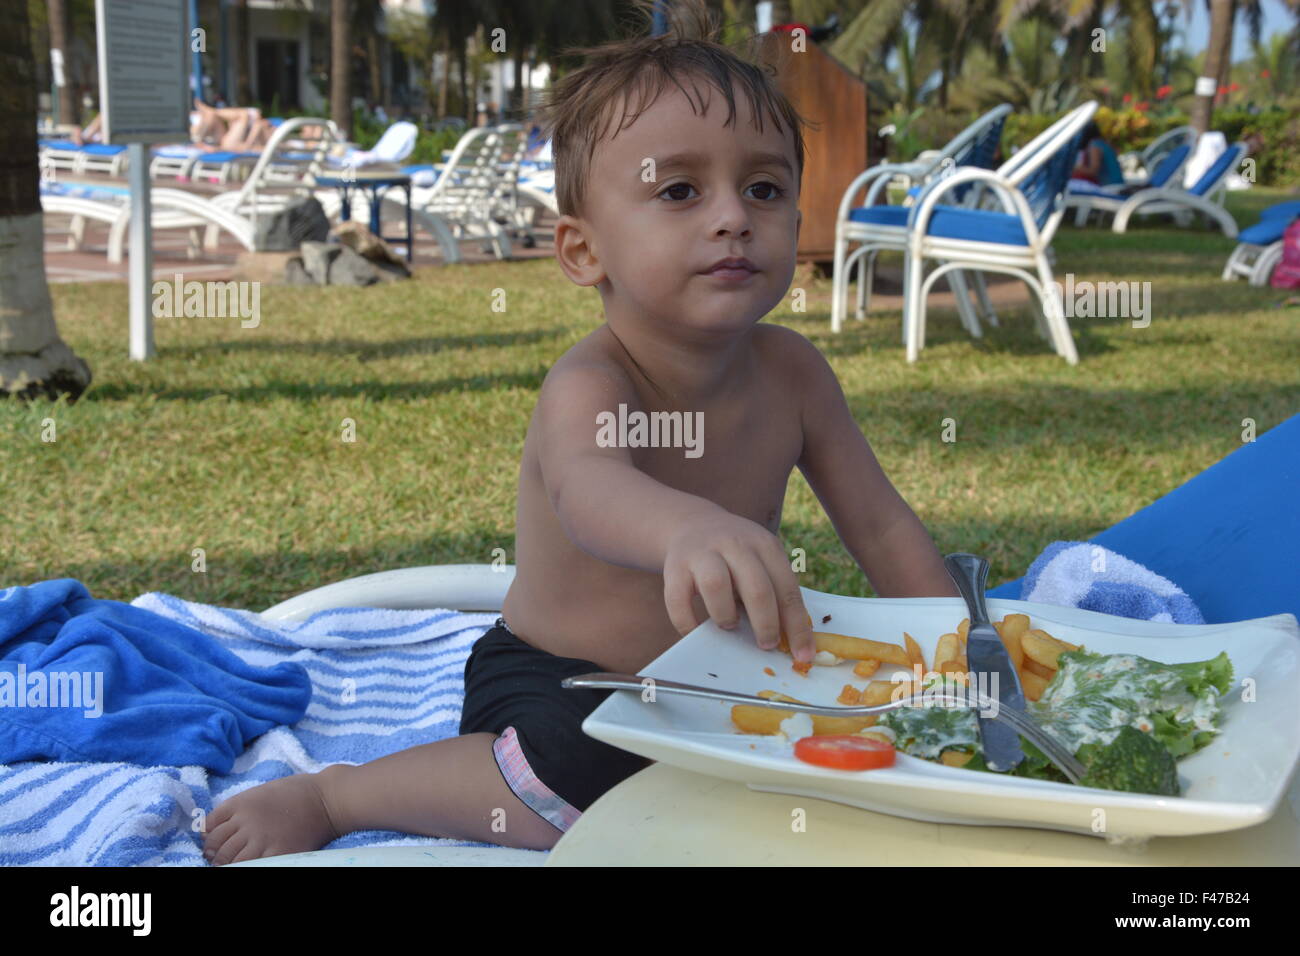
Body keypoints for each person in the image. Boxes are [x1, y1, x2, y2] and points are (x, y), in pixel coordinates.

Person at [201, 0, 960, 865]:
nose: (732, 216)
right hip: (562, 679)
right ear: (582, 252)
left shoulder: (794, 374)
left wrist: (953, 652)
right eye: (679, 190)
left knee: (842, 752)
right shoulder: (593, 380)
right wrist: (690, 525)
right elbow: (590, 490)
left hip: (717, 679)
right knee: (573, 783)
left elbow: (881, 525)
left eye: (764, 188)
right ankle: (339, 794)